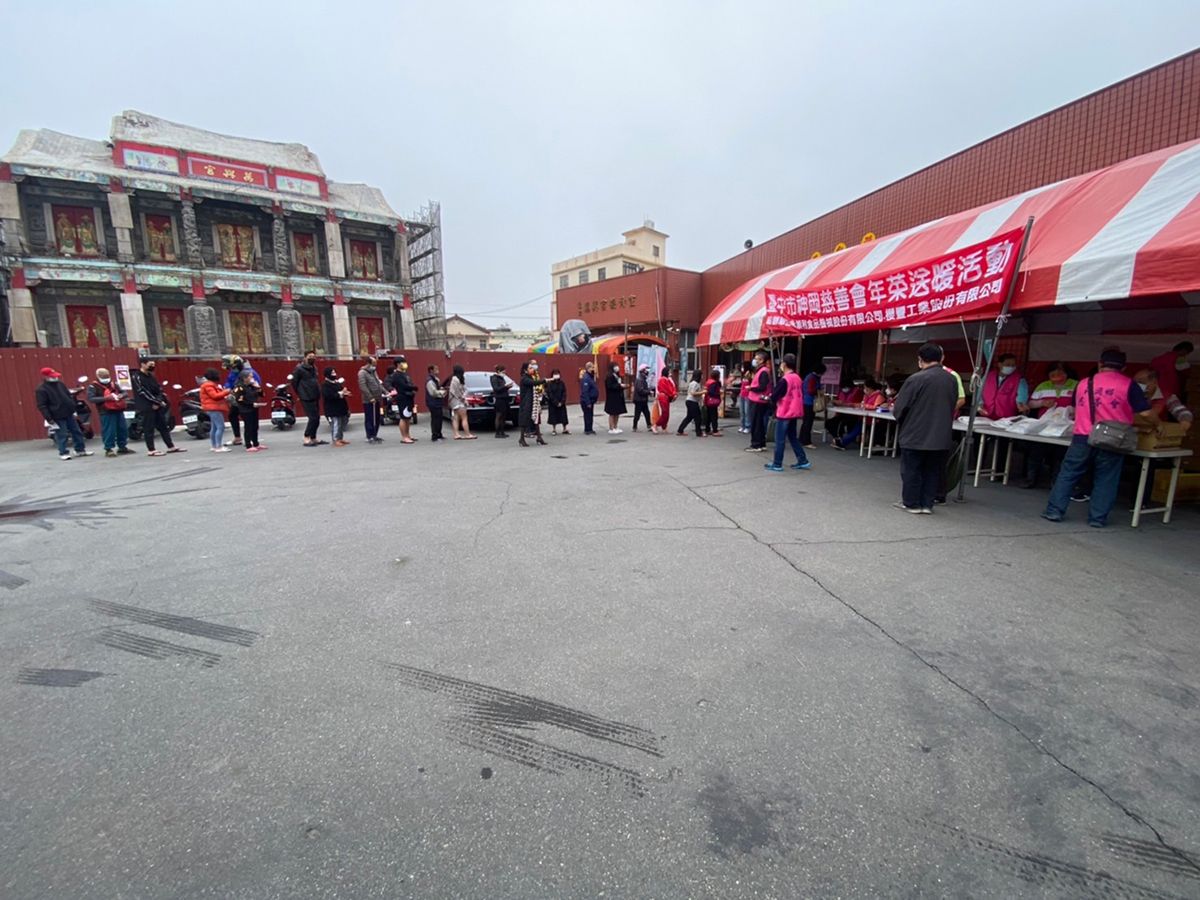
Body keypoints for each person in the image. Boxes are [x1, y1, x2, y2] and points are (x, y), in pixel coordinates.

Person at [1043, 348, 1156, 528]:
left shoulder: (1083, 383)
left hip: (1082, 436)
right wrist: (1157, 424)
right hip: (1113, 438)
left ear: (1100, 364)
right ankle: (1097, 518)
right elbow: (1147, 413)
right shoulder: (1128, 385)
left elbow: (1072, 410)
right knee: (1106, 478)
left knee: (1068, 474)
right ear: (1124, 367)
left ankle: (1054, 511)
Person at [890, 343, 959, 513]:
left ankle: (912, 503)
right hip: (941, 434)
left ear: (920, 359)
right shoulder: (951, 379)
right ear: (940, 358)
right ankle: (927, 503)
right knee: (932, 471)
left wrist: (902, 420)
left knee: (912, 469)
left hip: (915, 433)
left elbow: (900, 408)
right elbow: (954, 403)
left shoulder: (916, 379)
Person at [1021, 362, 1077, 488]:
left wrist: (1072, 410)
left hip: (1065, 426)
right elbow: (1030, 404)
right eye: (1053, 374)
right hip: (1044, 425)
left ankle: (1056, 482)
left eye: (1060, 373)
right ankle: (1031, 479)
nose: (1057, 376)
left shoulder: (1075, 385)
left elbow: (1081, 404)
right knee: (1036, 452)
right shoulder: (1043, 386)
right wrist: (1042, 403)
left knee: (1060, 455)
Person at [762, 353, 813, 472]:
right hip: (795, 411)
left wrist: (768, 398)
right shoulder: (797, 377)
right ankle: (802, 460)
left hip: (785, 411)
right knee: (793, 437)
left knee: (779, 439)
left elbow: (775, 396)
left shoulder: (785, 380)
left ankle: (777, 463)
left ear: (784, 364)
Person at [131, 358, 184, 456]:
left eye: (153, 364)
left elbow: (159, 389)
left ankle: (171, 446)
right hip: (146, 406)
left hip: (157, 405)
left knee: (163, 426)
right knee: (149, 427)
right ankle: (151, 450)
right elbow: (142, 392)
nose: (152, 366)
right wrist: (155, 402)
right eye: (150, 364)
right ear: (143, 364)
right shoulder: (136, 377)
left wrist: (159, 401)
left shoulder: (151, 376)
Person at [36, 367, 92, 460]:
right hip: (56, 415)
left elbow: (68, 396)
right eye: (52, 376)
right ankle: (63, 452)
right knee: (62, 434)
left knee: (77, 431)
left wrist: (73, 408)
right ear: (46, 376)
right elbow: (42, 405)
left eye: (55, 376)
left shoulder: (60, 384)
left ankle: (80, 450)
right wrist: (49, 418)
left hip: (69, 413)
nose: (55, 378)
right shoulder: (41, 389)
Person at [86, 367, 134, 457]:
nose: (106, 379)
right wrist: (106, 399)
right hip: (105, 411)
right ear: (98, 376)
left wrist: (121, 395)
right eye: (103, 377)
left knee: (122, 429)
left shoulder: (114, 383)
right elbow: (91, 399)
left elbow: (125, 392)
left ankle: (122, 447)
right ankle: (108, 449)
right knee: (109, 431)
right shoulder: (93, 386)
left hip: (118, 409)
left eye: (107, 376)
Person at [832, 378, 886, 450]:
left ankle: (842, 442)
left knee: (856, 430)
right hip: (864, 418)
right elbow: (862, 404)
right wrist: (851, 404)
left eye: (865, 388)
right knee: (855, 430)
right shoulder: (866, 396)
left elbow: (876, 407)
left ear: (870, 388)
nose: (864, 390)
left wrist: (864, 406)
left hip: (874, 420)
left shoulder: (879, 396)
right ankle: (842, 442)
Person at [222, 355, 259, 446]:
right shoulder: (233, 373)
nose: (230, 369)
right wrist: (227, 388)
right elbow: (229, 382)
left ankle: (251, 440)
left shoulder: (249, 372)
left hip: (247, 400)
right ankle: (238, 437)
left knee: (249, 420)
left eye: (231, 367)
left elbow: (256, 385)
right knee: (232, 416)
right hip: (237, 399)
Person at [978, 353, 1029, 419]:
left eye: (1013, 365)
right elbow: (978, 393)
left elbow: (1022, 397)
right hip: (986, 415)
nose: (1010, 367)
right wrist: (979, 406)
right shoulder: (988, 376)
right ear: (999, 364)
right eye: (1008, 365)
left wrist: (1021, 405)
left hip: (1007, 418)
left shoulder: (1019, 379)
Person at [292, 350, 325, 446]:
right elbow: (294, 383)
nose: (312, 358)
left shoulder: (313, 368)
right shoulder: (299, 369)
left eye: (314, 357)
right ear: (305, 357)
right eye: (310, 356)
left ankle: (313, 437)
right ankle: (306, 437)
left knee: (317, 418)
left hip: (315, 395)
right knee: (312, 418)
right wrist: (300, 393)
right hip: (306, 396)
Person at [744, 350, 773, 452]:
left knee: (756, 423)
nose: (754, 360)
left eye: (756, 359)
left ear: (761, 360)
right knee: (759, 423)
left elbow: (762, 387)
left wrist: (751, 388)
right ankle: (761, 443)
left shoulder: (764, 371)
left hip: (758, 400)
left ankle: (756, 445)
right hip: (758, 400)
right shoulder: (761, 370)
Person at [1149, 340, 1193, 405]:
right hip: (1167, 390)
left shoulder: (1170, 358)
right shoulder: (1173, 358)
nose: (1186, 354)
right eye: (1187, 352)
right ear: (1184, 350)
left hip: (1166, 390)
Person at [232, 368, 266, 452]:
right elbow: (239, 400)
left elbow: (262, 394)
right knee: (248, 427)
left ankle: (256, 443)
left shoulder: (252, 386)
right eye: (250, 377)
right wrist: (251, 404)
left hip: (254, 408)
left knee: (255, 426)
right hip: (245, 410)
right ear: (245, 378)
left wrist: (258, 387)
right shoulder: (239, 387)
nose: (252, 378)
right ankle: (248, 445)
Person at [200, 368, 232, 453]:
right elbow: (215, 396)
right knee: (220, 427)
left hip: (211, 408)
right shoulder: (209, 385)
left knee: (214, 428)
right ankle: (219, 446)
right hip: (214, 408)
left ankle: (214, 446)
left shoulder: (207, 385)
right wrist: (227, 391)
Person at [387, 355, 418, 444]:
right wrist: (413, 388)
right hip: (403, 398)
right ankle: (404, 437)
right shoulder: (396, 375)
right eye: (403, 363)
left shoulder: (404, 374)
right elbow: (403, 386)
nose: (405, 364)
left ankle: (408, 435)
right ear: (398, 364)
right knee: (403, 417)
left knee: (408, 417)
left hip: (409, 397)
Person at [518, 360, 547, 447]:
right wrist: (544, 380)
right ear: (525, 370)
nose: (532, 369)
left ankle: (539, 437)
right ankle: (521, 438)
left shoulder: (531, 377)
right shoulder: (524, 378)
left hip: (534, 402)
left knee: (536, 420)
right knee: (524, 421)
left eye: (532, 368)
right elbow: (533, 383)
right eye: (530, 368)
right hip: (527, 403)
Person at [358, 355, 385, 444]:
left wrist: (386, 392)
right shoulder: (362, 373)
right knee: (370, 418)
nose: (375, 365)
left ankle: (375, 434)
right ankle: (369, 436)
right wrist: (370, 397)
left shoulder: (373, 372)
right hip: (369, 400)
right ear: (368, 363)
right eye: (374, 363)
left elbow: (378, 383)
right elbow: (363, 386)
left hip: (377, 398)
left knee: (377, 417)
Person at [321, 366, 351, 446]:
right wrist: (340, 393)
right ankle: (335, 439)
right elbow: (329, 395)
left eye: (335, 372)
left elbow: (341, 391)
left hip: (341, 407)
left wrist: (345, 393)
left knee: (341, 424)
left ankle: (340, 438)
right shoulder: (325, 385)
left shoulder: (337, 383)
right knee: (336, 424)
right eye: (332, 373)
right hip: (332, 408)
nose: (334, 374)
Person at [798, 362, 826, 448]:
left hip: (806, 401)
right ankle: (806, 441)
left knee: (806, 421)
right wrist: (819, 389)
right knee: (808, 422)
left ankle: (801, 439)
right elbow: (811, 390)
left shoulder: (809, 376)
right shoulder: (813, 378)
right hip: (809, 402)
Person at [447, 365, 476, 439]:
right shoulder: (458, 379)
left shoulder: (454, 379)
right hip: (459, 401)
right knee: (464, 418)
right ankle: (467, 434)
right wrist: (462, 398)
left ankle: (456, 434)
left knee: (455, 418)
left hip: (454, 402)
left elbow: (452, 391)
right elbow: (457, 391)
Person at [676, 369, 705, 437]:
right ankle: (699, 433)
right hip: (692, 402)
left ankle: (680, 430)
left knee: (689, 417)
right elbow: (693, 393)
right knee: (698, 417)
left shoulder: (694, 383)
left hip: (690, 401)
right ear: (699, 376)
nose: (702, 376)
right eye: (701, 375)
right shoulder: (695, 383)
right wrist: (703, 392)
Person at [425, 365, 447, 442]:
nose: (438, 370)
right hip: (433, 402)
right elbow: (433, 392)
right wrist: (442, 392)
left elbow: (437, 388)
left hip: (437, 402)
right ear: (431, 370)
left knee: (439, 419)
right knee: (435, 419)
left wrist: (441, 389)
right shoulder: (430, 381)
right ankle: (435, 436)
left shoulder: (436, 379)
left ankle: (439, 434)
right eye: (436, 369)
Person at [653, 366, 677, 433]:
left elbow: (672, 388)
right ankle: (656, 425)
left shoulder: (668, 380)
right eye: (669, 372)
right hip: (663, 397)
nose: (670, 373)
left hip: (666, 397)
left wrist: (674, 394)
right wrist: (673, 394)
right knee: (665, 413)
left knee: (666, 413)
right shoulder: (662, 380)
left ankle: (664, 427)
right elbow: (666, 389)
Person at [545, 368, 569, 435]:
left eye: (557, 374)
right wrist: (556, 402)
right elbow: (550, 394)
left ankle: (565, 428)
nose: (556, 375)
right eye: (555, 374)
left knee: (563, 416)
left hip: (561, 402)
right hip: (553, 403)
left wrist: (562, 402)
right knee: (553, 416)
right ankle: (554, 429)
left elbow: (564, 392)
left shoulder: (562, 383)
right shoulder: (550, 384)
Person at [604, 363, 626, 434]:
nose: (617, 368)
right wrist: (619, 386)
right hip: (612, 397)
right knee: (612, 413)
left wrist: (622, 386)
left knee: (617, 412)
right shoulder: (609, 376)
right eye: (615, 366)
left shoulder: (617, 376)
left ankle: (616, 426)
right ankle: (611, 428)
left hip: (618, 396)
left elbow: (619, 384)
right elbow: (610, 386)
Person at [491, 365, 511, 438]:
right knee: (499, 415)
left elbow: (502, 388)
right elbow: (496, 389)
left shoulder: (502, 378)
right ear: (498, 371)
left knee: (503, 416)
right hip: (499, 399)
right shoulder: (494, 378)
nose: (505, 372)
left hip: (505, 398)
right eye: (503, 371)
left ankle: (502, 432)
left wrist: (507, 387)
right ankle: (497, 433)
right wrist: (505, 387)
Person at [579, 361, 599, 435]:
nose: (593, 369)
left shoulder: (590, 376)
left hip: (591, 400)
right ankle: (587, 429)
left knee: (590, 415)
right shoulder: (586, 378)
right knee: (587, 415)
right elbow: (585, 391)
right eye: (592, 367)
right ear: (588, 368)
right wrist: (588, 402)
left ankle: (590, 428)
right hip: (587, 401)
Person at [632, 365, 653, 431]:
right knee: (637, 414)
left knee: (647, 413)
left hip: (643, 400)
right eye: (646, 370)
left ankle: (649, 425)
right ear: (643, 371)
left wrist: (649, 390)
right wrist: (649, 392)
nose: (647, 372)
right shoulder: (640, 380)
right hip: (639, 400)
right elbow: (640, 390)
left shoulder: (643, 379)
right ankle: (634, 427)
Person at [704, 368, 723, 436]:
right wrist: (718, 394)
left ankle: (707, 429)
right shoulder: (714, 383)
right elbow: (711, 392)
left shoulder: (709, 381)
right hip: (713, 401)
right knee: (714, 416)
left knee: (709, 416)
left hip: (708, 400)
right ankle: (715, 430)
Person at [737, 363, 752, 434]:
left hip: (748, 395)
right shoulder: (743, 374)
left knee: (747, 412)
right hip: (742, 394)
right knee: (741, 411)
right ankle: (742, 426)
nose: (742, 368)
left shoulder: (751, 374)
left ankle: (748, 426)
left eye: (743, 366)